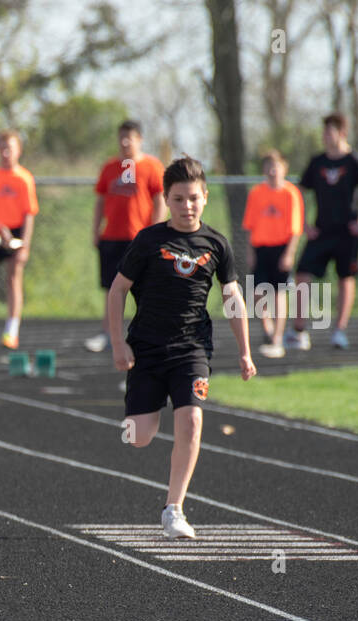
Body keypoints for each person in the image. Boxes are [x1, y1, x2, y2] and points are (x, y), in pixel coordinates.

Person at [106, 156, 255, 539]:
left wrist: (244, 351)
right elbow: (118, 290)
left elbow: (232, 297)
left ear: (204, 197)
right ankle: (144, 408)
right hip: (147, 348)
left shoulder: (217, 243)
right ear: (166, 201)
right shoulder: (149, 240)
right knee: (139, 437)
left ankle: (174, 509)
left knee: (191, 420)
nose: (186, 206)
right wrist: (118, 343)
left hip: (192, 349)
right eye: (178, 199)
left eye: (193, 198)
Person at [289, 112, 358, 350]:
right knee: (302, 274)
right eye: (323, 131)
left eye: (329, 131)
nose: (324, 136)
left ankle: (339, 331)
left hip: (347, 233)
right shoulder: (317, 161)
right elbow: (297, 192)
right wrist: (304, 224)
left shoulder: (353, 161)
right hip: (321, 231)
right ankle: (298, 331)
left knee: (345, 279)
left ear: (342, 133)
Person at [87, 119, 166, 353]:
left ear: (139, 139)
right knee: (112, 288)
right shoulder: (110, 167)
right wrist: (95, 230)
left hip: (139, 238)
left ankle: (149, 333)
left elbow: (160, 199)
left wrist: (156, 231)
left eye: (129, 137)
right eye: (121, 137)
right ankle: (109, 334)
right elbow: (100, 201)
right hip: (112, 237)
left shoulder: (151, 166)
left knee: (145, 287)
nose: (124, 142)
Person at [242, 150, 304, 359]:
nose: (272, 170)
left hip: (281, 248)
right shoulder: (256, 193)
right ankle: (267, 328)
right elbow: (249, 225)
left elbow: (296, 228)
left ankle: (278, 338)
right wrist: (250, 251)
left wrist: (289, 253)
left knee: (278, 294)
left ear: (284, 168)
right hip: (261, 248)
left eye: (276, 166)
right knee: (259, 293)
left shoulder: (290, 193)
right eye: (268, 166)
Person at [0, 130, 38, 350]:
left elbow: (29, 213)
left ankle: (11, 330)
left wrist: (24, 244)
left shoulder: (24, 177)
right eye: (3, 148)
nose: (6, 152)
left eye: (11, 148)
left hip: (16, 232)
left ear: (19, 150)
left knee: (13, 279)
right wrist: (0, 228)